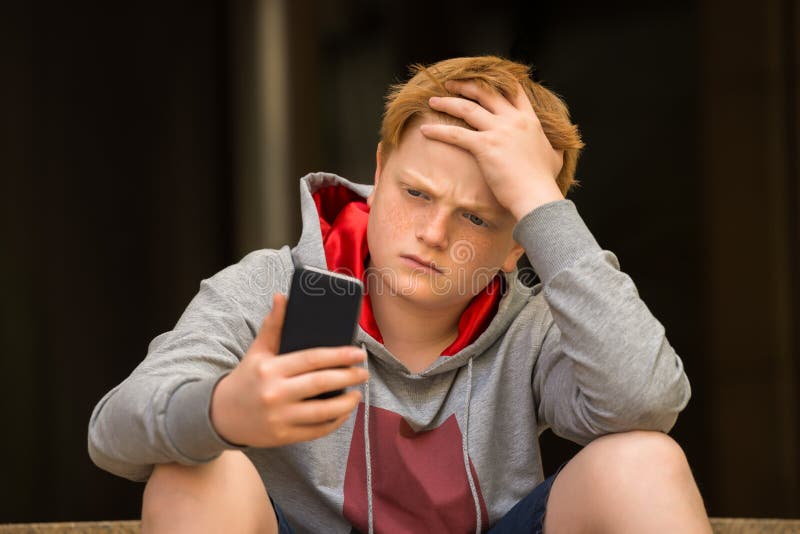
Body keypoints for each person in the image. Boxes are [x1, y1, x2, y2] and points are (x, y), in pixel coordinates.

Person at [88, 55, 712, 533]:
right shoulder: (291, 293)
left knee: (643, 460)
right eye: (416, 193)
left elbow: (645, 401)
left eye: (478, 218)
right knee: (195, 472)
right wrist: (225, 410)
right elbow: (112, 433)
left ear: (521, 241)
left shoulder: (534, 326)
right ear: (380, 169)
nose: (433, 234)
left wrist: (540, 200)